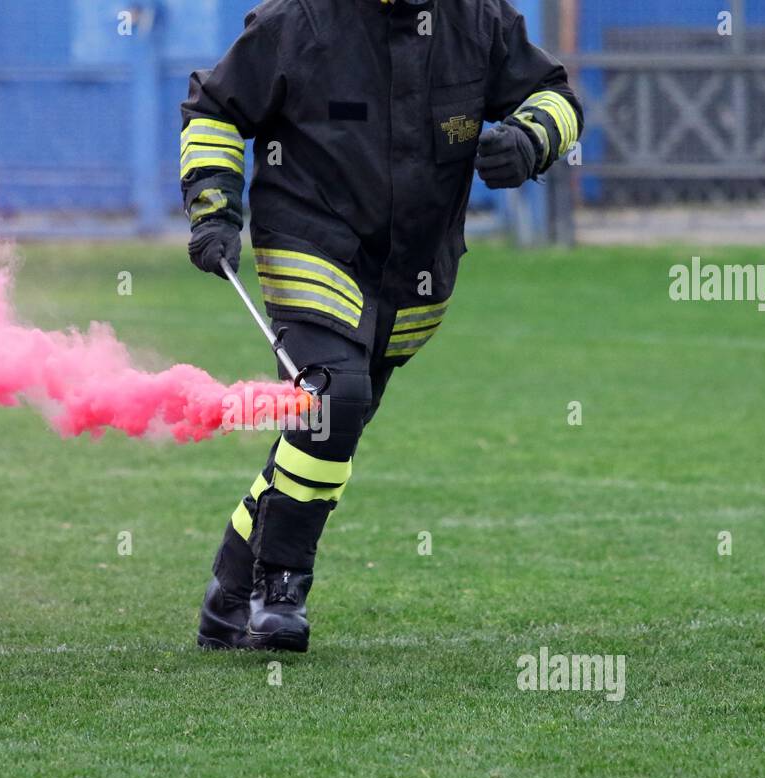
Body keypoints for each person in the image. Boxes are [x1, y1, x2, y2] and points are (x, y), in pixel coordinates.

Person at [181, 0, 583, 652]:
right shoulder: (300, 20)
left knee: (321, 434)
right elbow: (214, 108)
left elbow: (557, 97)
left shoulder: (479, 20)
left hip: (414, 273)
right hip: (307, 239)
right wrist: (212, 207)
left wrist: (530, 141)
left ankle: (229, 592)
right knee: (334, 398)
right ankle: (277, 590)